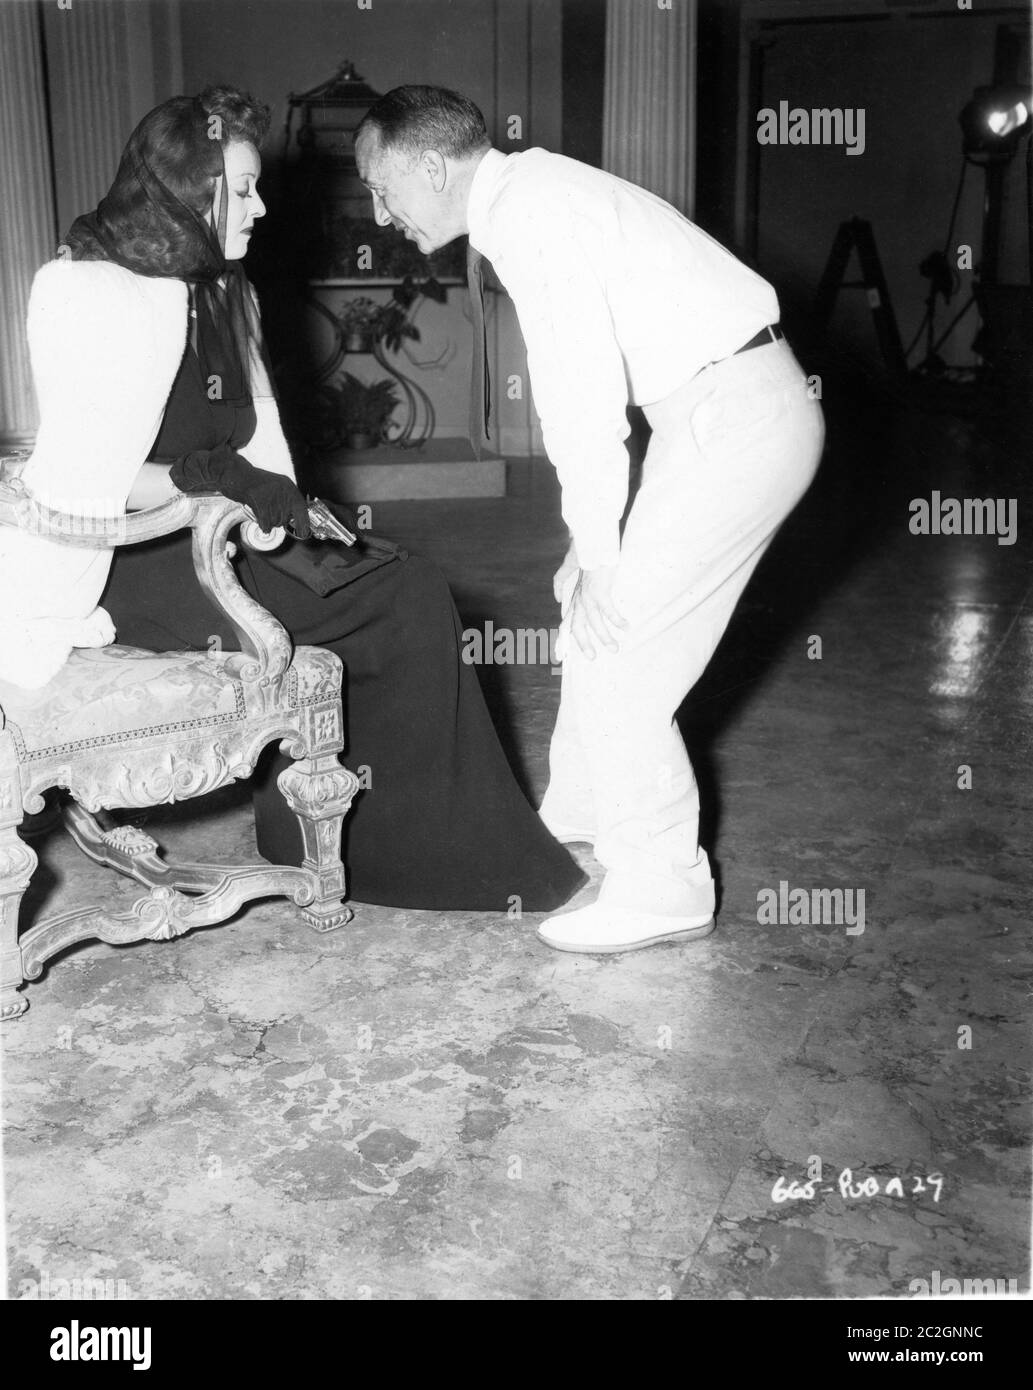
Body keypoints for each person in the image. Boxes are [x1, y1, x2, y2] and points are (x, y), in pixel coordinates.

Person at [0, 87, 585, 914]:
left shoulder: (225, 288)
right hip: (136, 562)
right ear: (182, 189)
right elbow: (87, 478)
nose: (261, 204)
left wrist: (282, 507)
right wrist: (223, 483)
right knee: (408, 599)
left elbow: (258, 438)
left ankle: (360, 840)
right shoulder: (91, 290)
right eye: (241, 189)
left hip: (226, 534)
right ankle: (435, 857)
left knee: (407, 579)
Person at [354, 86, 825, 953]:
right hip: (717, 411)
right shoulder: (534, 194)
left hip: (737, 417)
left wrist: (604, 553)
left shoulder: (531, 213)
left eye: (383, 191)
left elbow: (580, 402)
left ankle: (664, 883)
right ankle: (575, 819)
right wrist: (590, 548)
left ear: (430, 166)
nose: (381, 215)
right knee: (591, 613)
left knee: (623, 637)